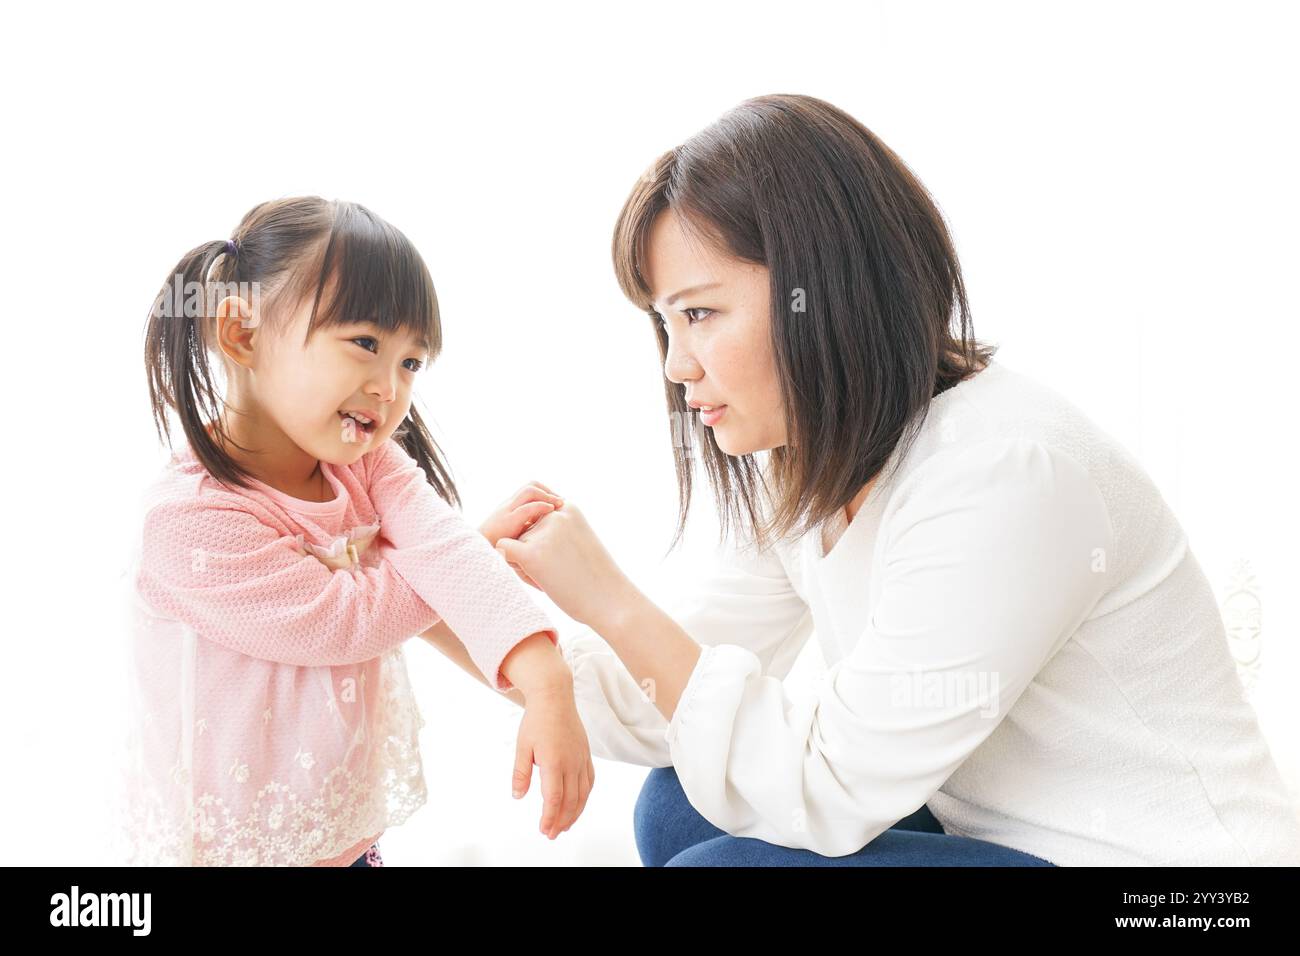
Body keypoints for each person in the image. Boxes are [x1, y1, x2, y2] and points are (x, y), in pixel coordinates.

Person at [495, 94, 1300, 866]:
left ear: (827, 289)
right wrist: (439, 594)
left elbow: (830, 789)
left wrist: (605, 596)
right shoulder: (818, 465)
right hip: (1000, 843)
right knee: (680, 804)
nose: (676, 365)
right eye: (664, 324)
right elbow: (660, 697)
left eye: (700, 314)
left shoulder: (1001, 470)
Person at [119, 196, 592, 866]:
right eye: (366, 344)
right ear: (244, 335)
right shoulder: (188, 520)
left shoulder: (366, 465)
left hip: (345, 846)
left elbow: (437, 546)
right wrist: (471, 555)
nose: (389, 387)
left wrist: (547, 677)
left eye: (410, 363)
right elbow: (345, 622)